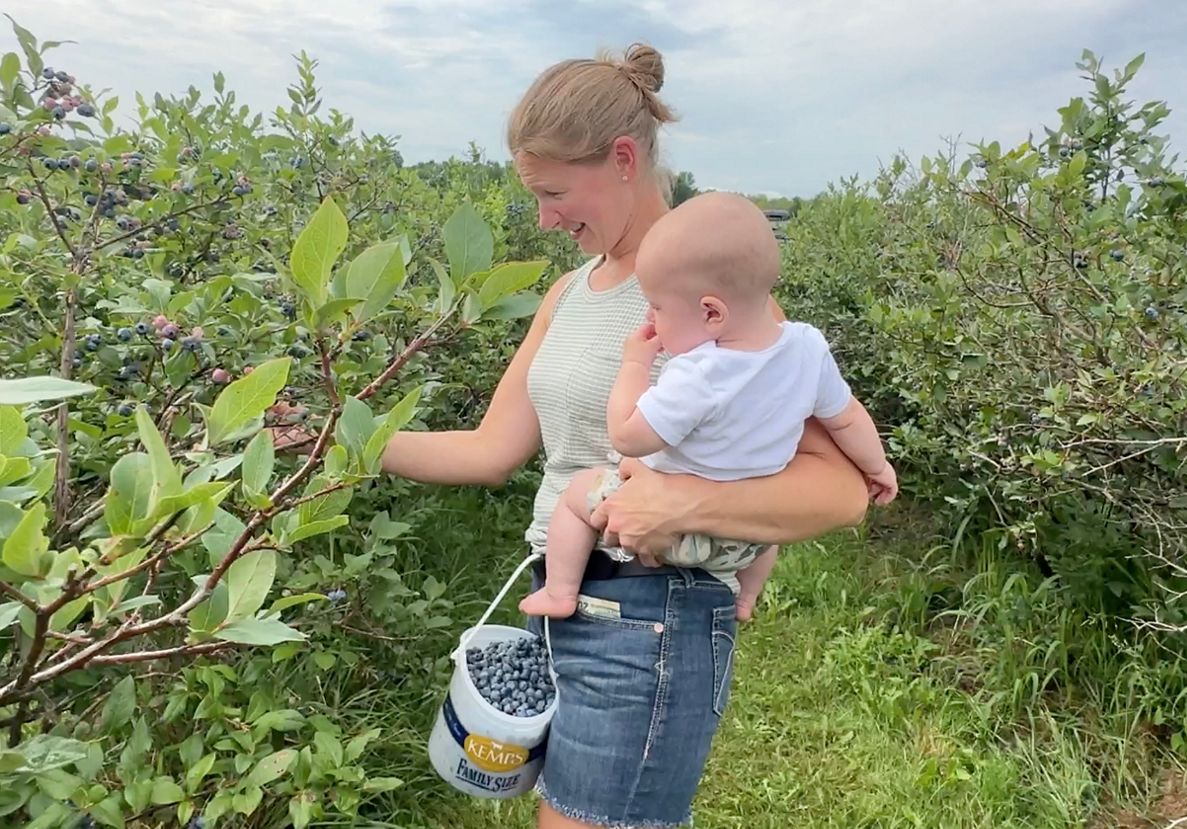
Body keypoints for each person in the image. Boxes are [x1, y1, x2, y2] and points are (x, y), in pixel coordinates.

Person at [277, 42, 870, 829]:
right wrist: (338, 440)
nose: (544, 218)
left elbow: (841, 489)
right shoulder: (568, 293)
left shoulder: (711, 301)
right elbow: (493, 446)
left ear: (623, 158)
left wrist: (681, 502)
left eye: (554, 191)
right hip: (561, 601)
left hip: (649, 612)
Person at [518, 191, 897, 624]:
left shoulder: (700, 372)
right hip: (745, 539)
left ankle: (559, 591)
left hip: (668, 531)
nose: (651, 319)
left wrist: (635, 364)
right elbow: (847, 417)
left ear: (711, 313)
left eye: (658, 307)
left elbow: (628, 434)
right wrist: (878, 467)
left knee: (574, 497)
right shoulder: (808, 348)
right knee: (769, 534)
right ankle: (744, 599)